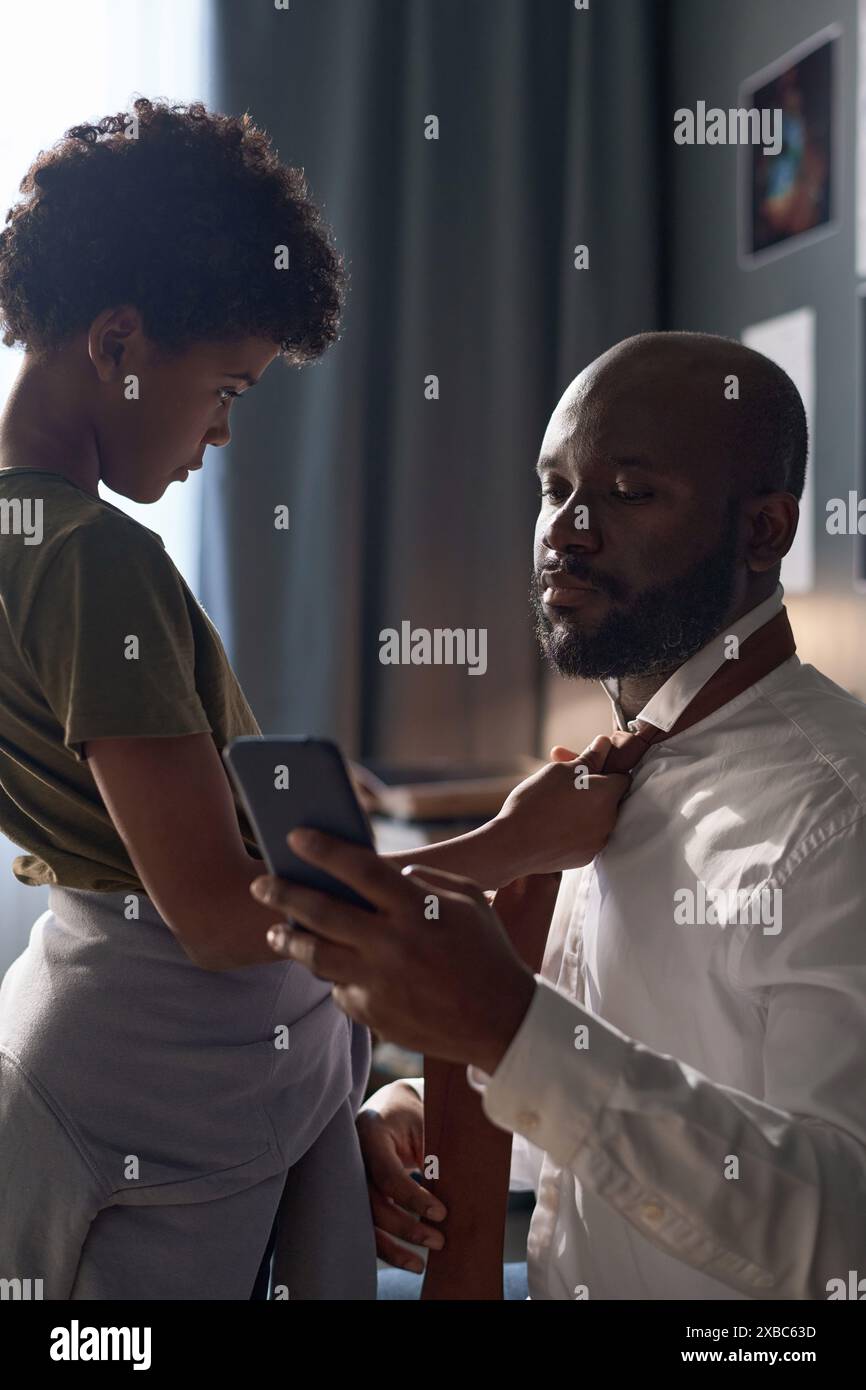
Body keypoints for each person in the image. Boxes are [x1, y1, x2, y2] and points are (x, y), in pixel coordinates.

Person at [0, 97, 625, 1299]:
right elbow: (222, 917)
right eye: (226, 387)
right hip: (167, 1072)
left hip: (129, 1039)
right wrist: (507, 844)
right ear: (120, 344)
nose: (223, 432)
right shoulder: (94, 561)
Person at [256, 332, 866, 1300]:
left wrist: (503, 1029)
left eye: (626, 492)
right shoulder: (594, 792)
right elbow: (615, 1121)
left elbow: (841, 1235)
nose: (566, 530)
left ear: (762, 530)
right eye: (553, 489)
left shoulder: (835, 814)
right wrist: (417, 1102)